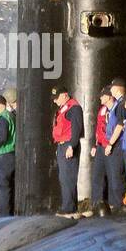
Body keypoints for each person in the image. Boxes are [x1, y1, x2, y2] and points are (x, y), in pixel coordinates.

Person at [52, 87, 83, 216]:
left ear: (64, 95)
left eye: (57, 98)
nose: (55, 101)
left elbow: (76, 128)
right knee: (64, 177)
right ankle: (70, 205)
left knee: (68, 177)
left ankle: (68, 207)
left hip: (68, 145)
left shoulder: (74, 108)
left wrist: (72, 145)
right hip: (62, 145)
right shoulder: (64, 108)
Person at [90, 89, 117, 207]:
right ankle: (97, 203)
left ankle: (114, 204)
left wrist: (110, 144)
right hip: (100, 146)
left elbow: (118, 128)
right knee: (97, 175)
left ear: (109, 97)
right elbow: (98, 129)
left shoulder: (117, 109)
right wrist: (95, 145)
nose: (100, 98)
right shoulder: (102, 110)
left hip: (111, 146)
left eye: (102, 96)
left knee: (113, 175)